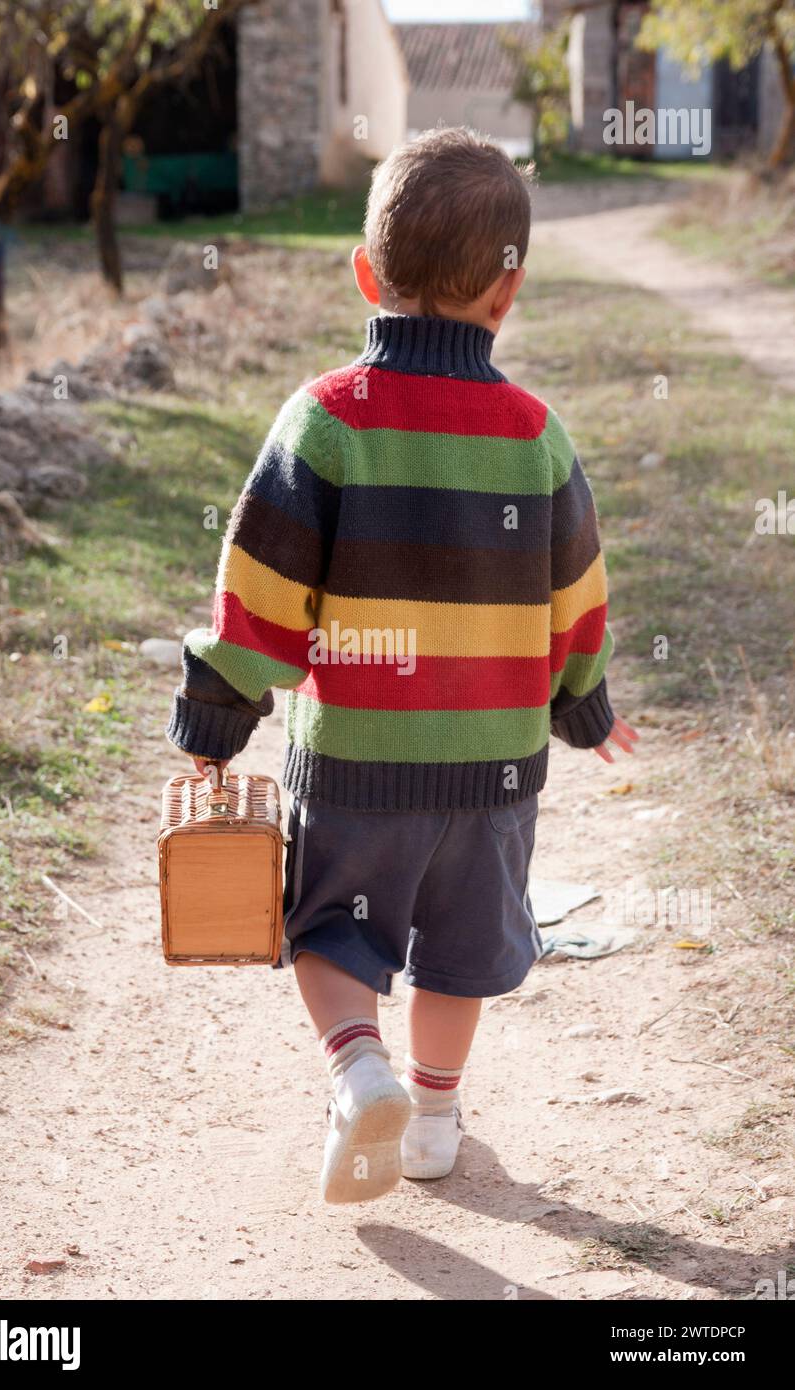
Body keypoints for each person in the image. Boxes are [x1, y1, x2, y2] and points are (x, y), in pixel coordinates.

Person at [166, 127, 638, 1205]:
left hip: (356, 765)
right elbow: (576, 601)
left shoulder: (326, 423)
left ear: (366, 275)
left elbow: (261, 592)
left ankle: (356, 1067)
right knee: (460, 952)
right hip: (493, 772)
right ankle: (430, 1114)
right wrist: (583, 701)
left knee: (330, 925)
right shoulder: (536, 438)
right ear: (505, 294)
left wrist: (217, 710)